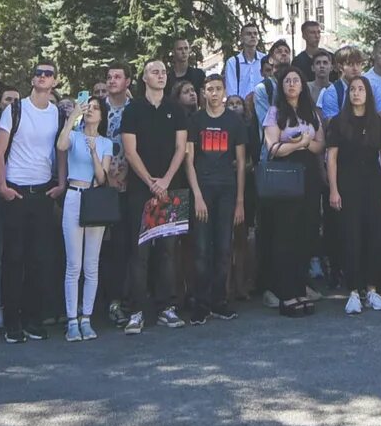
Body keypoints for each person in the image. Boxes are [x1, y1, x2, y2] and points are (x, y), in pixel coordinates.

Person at [0, 66, 68, 345]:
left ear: (55, 81)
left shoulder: (57, 113)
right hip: (16, 192)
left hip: (44, 193)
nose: (43, 77)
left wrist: (60, 183)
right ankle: (12, 322)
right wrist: (2, 187)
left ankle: (34, 320)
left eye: (48, 73)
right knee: (13, 258)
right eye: (38, 73)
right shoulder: (15, 110)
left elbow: (60, 148)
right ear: (33, 79)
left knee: (39, 259)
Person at [115, 60, 193, 332]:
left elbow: (180, 148)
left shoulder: (176, 109)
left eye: (163, 72)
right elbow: (130, 151)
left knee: (168, 251)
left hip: (172, 189)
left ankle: (166, 308)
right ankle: (136, 310)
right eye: (154, 72)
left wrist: (166, 181)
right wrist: (150, 182)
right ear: (144, 78)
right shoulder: (133, 109)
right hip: (141, 191)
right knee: (140, 253)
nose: (161, 76)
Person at [322, 77, 381, 314]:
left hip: (374, 185)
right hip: (347, 185)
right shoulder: (338, 122)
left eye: (361, 89)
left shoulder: (377, 123)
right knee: (350, 236)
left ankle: (373, 290)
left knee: (375, 236)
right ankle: (353, 291)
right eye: (352, 89)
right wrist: (333, 189)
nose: (356, 93)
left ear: (368, 94)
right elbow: (331, 157)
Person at [186, 76, 254, 323]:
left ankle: (220, 300)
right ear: (204, 93)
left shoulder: (234, 122)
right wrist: (196, 196)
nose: (213, 93)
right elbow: (189, 161)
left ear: (224, 92)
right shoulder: (196, 120)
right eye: (209, 89)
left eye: (218, 89)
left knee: (224, 248)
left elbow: (241, 164)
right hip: (202, 189)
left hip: (227, 190)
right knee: (202, 249)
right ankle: (200, 303)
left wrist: (240, 201)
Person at [258, 70, 325, 314]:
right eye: (287, 81)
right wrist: (299, 143)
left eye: (296, 80)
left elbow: (319, 145)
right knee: (285, 235)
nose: (292, 84)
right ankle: (286, 294)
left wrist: (307, 143)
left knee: (306, 233)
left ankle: (300, 289)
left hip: (309, 176)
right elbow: (274, 148)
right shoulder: (274, 113)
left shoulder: (312, 112)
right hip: (285, 178)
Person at [59, 96, 117, 339]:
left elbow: (102, 178)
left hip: (94, 199)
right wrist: (73, 115)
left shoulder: (105, 143)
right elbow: (61, 145)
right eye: (88, 107)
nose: (91, 111)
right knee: (74, 265)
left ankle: (86, 318)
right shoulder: (73, 135)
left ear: (102, 115)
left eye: (95, 108)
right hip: (74, 195)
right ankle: (72, 320)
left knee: (91, 264)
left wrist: (94, 152)